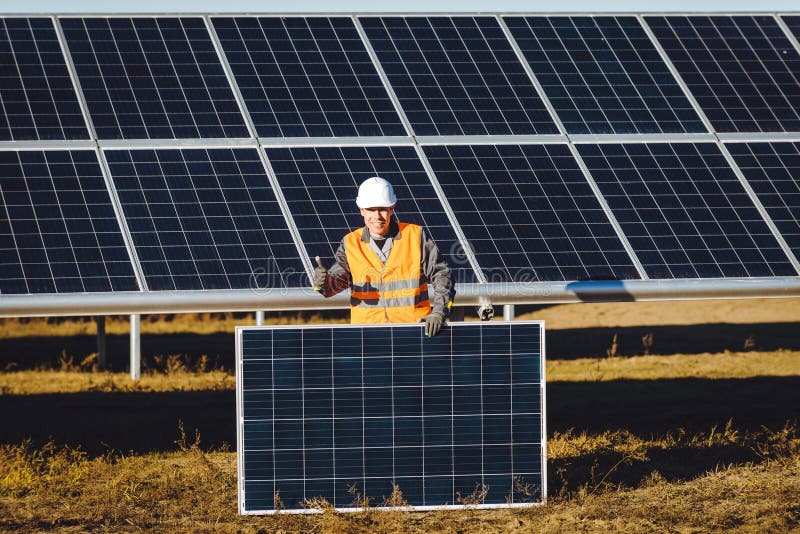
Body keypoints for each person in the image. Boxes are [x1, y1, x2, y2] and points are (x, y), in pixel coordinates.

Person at [313, 177, 455, 336]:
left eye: (382, 209)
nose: (377, 216)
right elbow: (335, 285)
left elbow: (442, 275)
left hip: (414, 333)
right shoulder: (350, 243)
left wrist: (439, 311)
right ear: (362, 210)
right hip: (366, 336)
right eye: (371, 209)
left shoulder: (415, 236)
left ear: (391, 209)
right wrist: (324, 283)